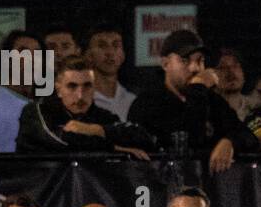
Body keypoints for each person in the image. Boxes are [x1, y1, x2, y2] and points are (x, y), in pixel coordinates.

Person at [128, 29, 256, 171]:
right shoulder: (147, 103)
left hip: (209, 188)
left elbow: (248, 135)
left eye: (200, 60)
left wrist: (230, 142)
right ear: (165, 64)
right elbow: (192, 137)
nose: (195, 68)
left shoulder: (212, 100)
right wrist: (198, 89)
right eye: (185, 60)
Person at [16, 55, 157, 157]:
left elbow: (145, 138)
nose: (80, 95)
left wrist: (95, 129)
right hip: (40, 191)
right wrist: (113, 147)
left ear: (94, 87)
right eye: (72, 86)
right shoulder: (37, 110)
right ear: (58, 89)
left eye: (87, 86)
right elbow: (59, 142)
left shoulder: (100, 115)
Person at [82, 22, 138, 120]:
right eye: (102, 46)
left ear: (123, 55)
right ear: (88, 55)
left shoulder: (133, 100)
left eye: (116, 46)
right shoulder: (81, 100)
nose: (110, 52)